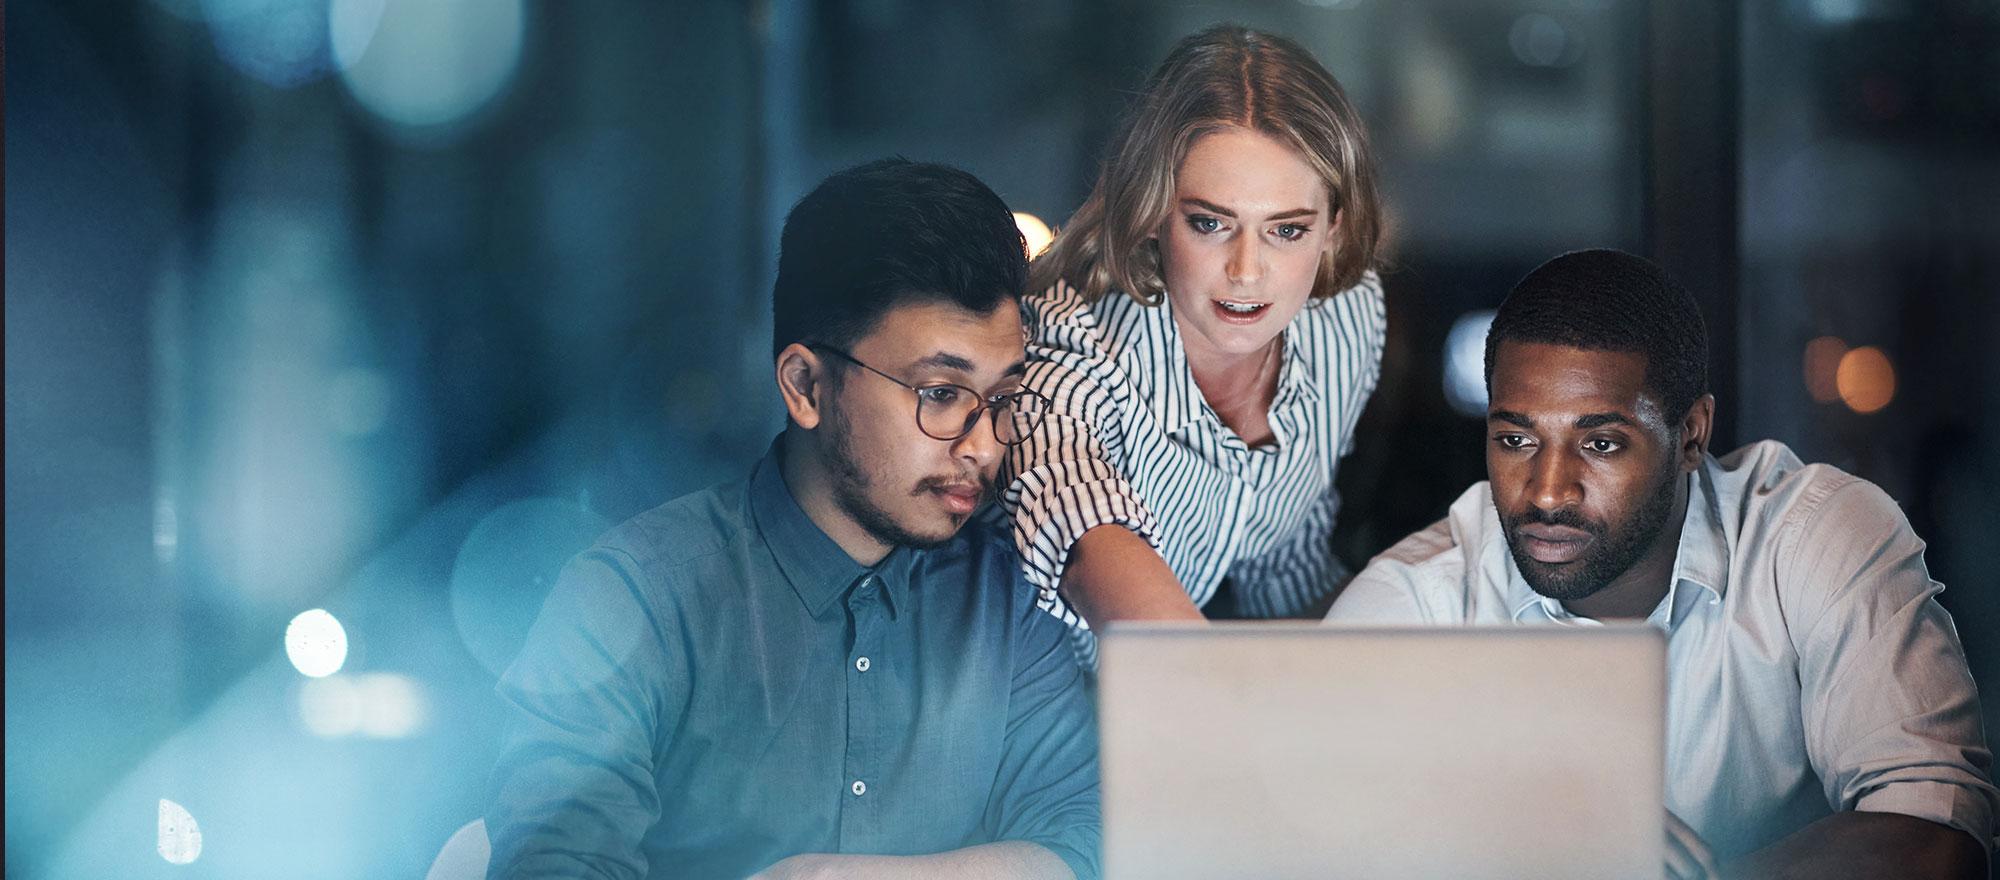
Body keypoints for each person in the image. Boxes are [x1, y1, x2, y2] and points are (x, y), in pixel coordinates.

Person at [484, 159, 1100, 880]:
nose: (983, 442)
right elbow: (554, 862)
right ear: (806, 386)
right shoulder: (637, 598)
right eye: (939, 393)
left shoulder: (1009, 598)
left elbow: (1083, 843)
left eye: (1001, 399)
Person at [1328, 249, 1996, 879]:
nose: (1548, 490)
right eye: (1517, 439)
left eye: (1600, 443)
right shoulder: (1414, 605)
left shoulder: (1812, 537)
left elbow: (1938, 834)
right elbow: (1291, 837)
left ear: (1692, 436)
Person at [1003, 24, 1388, 666]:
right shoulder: (1073, 347)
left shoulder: (1343, 320)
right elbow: (1081, 526)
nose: (1246, 270)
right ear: (1155, 210)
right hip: (1026, 714)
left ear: (1333, 230)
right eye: (1210, 223)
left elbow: (1283, 564)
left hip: (1180, 703)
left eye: (1286, 231)